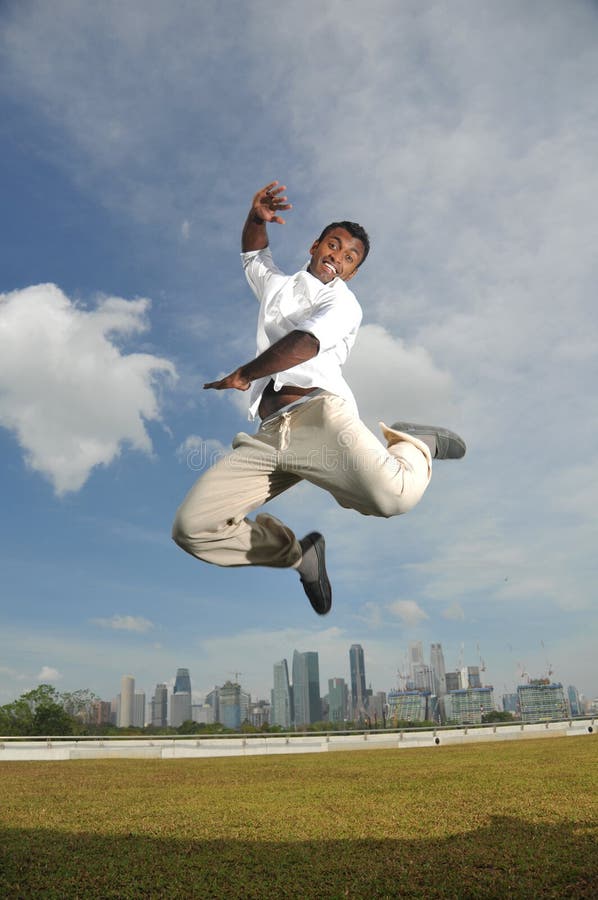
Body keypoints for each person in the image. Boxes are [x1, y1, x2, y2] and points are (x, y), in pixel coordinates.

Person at [172, 181, 465, 615]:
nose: (338, 258)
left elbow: (304, 344)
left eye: (350, 258)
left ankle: (416, 444)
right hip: (270, 437)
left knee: (392, 498)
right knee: (193, 528)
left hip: (320, 418)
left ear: (352, 272)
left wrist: (245, 374)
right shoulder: (279, 287)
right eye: (334, 245)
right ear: (315, 245)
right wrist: (256, 217)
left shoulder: (344, 304)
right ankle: (299, 556)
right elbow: (254, 257)